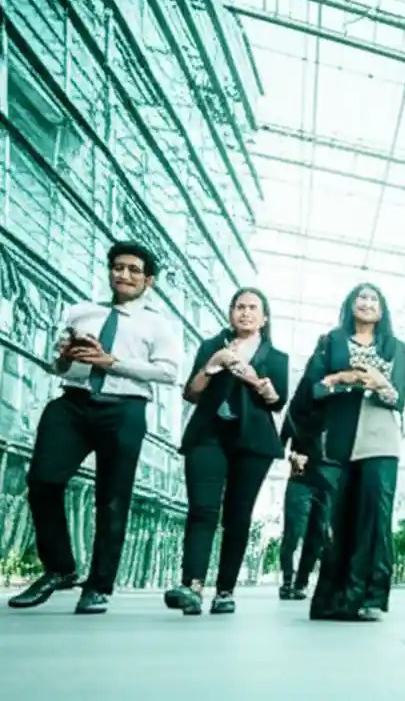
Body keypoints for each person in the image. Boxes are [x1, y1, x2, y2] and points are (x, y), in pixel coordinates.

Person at [8, 241, 181, 614]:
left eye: (134, 270)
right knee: (42, 480)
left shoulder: (158, 324)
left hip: (124, 409)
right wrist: (66, 357)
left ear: (148, 280)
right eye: (118, 267)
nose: (124, 274)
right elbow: (56, 367)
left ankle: (99, 585)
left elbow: (168, 372)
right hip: (73, 401)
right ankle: (59, 567)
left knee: (113, 497)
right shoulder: (81, 312)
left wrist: (113, 361)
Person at [164, 288, 289, 615]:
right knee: (202, 510)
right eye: (239, 307)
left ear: (264, 318)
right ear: (231, 312)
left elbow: (277, 402)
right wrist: (213, 365)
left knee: (237, 517)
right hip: (208, 436)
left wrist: (256, 380)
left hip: (253, 443)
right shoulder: (210, 346)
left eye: (252, 308)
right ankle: (191, 585)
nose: (245, 313)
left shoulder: (276, 358)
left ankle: (225, 590)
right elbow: (191, 393)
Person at [289, 283, 405, 622]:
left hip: (381, 438)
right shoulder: (332, 341)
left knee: (376, 516)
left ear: (382, 309)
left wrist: (377, 382)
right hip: (340, 439)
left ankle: (371, 596)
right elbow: (312, 388)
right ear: (350, 304)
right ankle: (336, 599)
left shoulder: (395, 347)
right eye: (361, 297)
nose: (367, 303)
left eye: (374, 299)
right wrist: (340, 378)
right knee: (339, 518)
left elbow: (399, 397)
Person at [279, 409, 326, 601]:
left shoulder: (341, 409)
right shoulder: (296, 412)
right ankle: (287, 582)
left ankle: (302, 582)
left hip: (329, 480)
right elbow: (280, 444)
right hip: (301, 479)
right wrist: (292, 456)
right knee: (293, 533)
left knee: (318, 536)